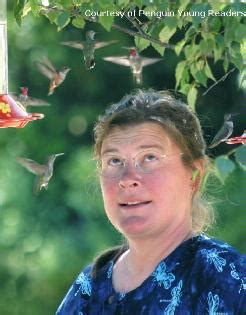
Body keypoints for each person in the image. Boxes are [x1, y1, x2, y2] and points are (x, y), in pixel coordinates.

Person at [56, 90, 246, 314]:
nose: (127, 180)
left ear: (194, 175)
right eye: (114, 161)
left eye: (149, 157)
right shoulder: (88, 288)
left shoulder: (227, 278)